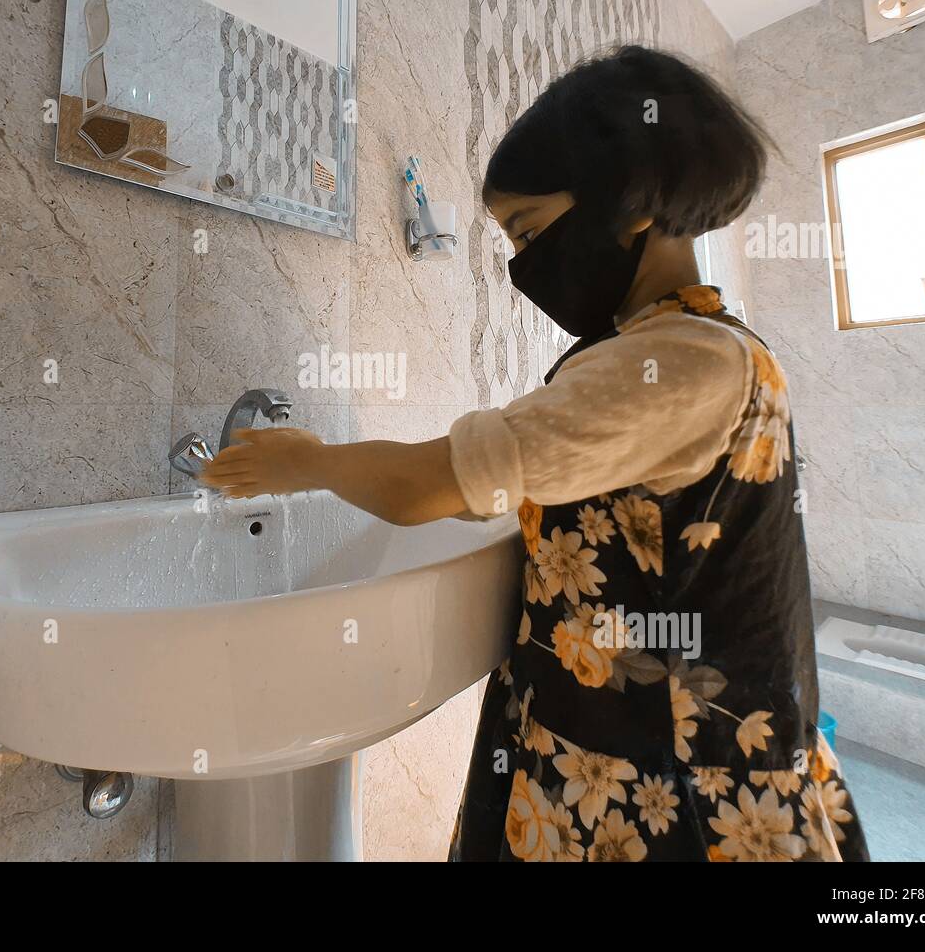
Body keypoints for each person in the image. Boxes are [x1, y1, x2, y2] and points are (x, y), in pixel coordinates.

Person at [201, 44, 869, 862]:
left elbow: (427, 486)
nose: (524, 265)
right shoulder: (681, 346)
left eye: (529, 230)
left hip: (668, 797)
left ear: (632, 200)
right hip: (625, 759)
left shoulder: (683, 362)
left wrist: (304, 460)